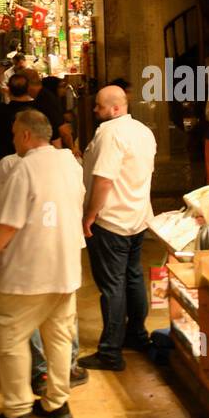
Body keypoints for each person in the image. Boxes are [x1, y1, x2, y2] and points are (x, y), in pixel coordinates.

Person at [0, 109, 86, 418]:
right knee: (59, 337)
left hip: (31, 271)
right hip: (66, 267)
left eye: (15, 134)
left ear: (27, 135)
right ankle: (57, 404)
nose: (13, 139)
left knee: (10, 336)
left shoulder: (23, 169)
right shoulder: (70, 162)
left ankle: (17, 414)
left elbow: (9, 221)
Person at [78, 84, 157, 372]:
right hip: (137, 217)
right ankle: (136, 335)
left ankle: (110, 351)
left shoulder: (110, 133)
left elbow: (103, 180)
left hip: (111, 220)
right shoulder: (143, 131)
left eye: (98, 106)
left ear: (114, 108)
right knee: (133, 278)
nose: (95, 110)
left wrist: (90, 214)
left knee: (112, 286)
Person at [0, 71, 53, 168]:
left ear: (8, 90)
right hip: (35, 165)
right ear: (28, 89)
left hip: (4, 167)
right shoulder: (41, 110)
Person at [34, 76, 77, 155]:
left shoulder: (45, 96)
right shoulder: (49, 100)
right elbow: (63, 129)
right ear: (52, 87)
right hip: (51, 143)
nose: (64, 90)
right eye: (61, 87)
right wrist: (73, 148)